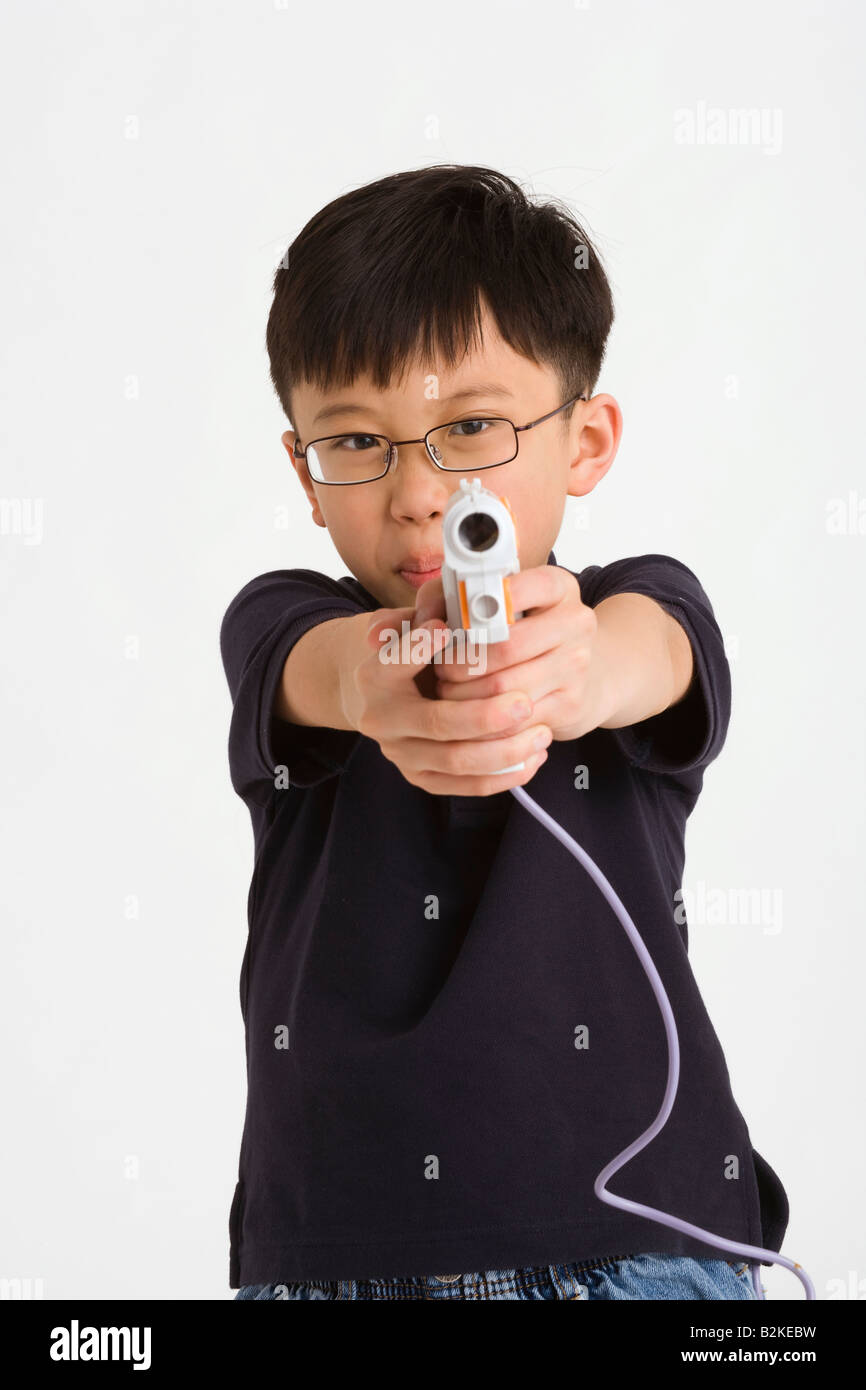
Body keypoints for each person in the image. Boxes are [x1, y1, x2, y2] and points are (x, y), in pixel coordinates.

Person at [219, 165, 788, 1301]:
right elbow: (314, 672)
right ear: (303, 469)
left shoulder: (635, 605)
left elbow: (651, 655)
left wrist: (573, 667)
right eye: (355, 443)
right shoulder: (286, 622)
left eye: (470, 427)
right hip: (340, 1256)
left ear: (584, 441)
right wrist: (389, 681)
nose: (421, 493)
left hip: (641, 1244)